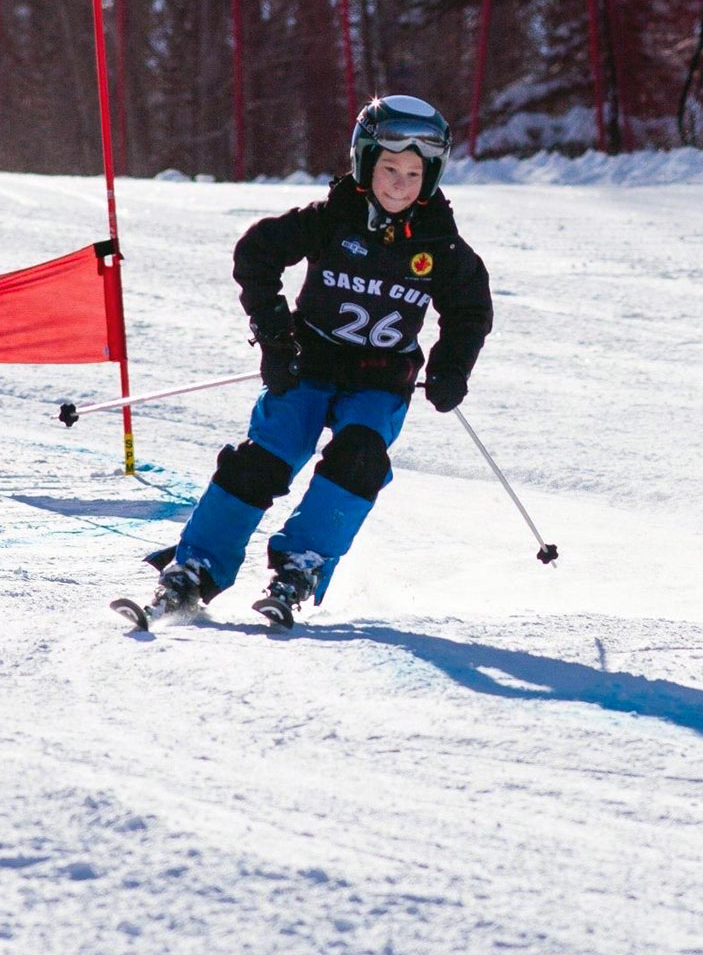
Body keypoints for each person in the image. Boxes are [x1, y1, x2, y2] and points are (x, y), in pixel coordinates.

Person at [140, 94, 493, 626]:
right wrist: (274, 336)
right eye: (389, 168)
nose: (399, 183)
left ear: (433, 177)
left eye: (414, 173)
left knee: (361, 458)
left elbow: (470, 309)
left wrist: (450, 369)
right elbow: (256, 253)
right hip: (308, 367)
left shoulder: (440, 245)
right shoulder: (332, 219)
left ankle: (302, 563)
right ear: (364, 163)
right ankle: (194, 569)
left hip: (380, 381)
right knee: (265, 459)